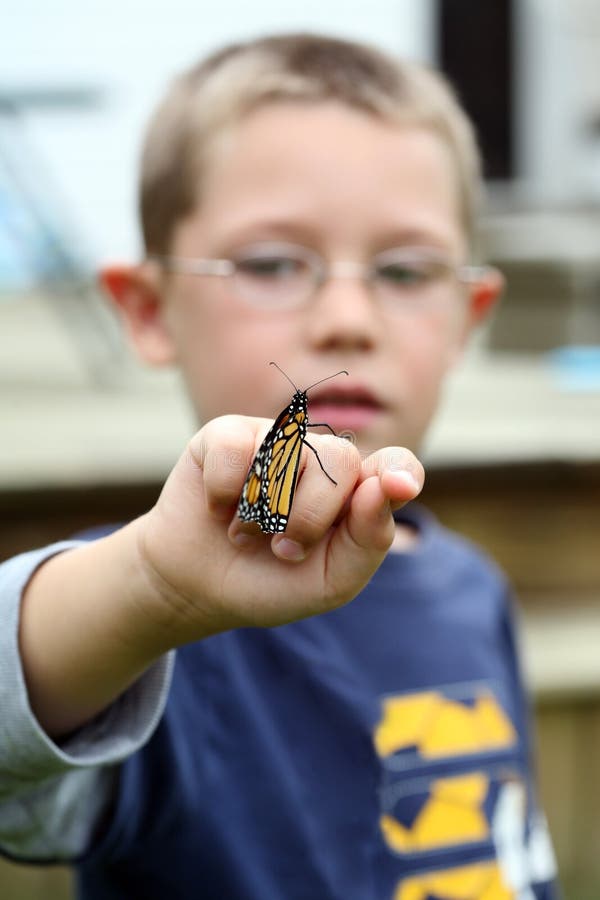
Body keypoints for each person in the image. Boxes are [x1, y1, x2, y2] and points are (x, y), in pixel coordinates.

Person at [0, 33, 559, 899]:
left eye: (406, 270)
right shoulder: (131, 629)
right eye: (270, 264)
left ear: (466, 316)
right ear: (148, 311)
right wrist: (150, 588)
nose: (346, 318)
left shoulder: (476, 589)